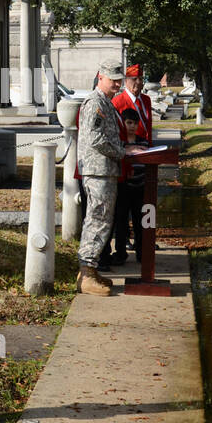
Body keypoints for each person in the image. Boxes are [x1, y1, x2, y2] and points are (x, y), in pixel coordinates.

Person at [77, 60, 140, 295]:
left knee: (101, 219)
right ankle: (86, 272)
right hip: (98, 170)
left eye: (118, 79)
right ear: (99, 77)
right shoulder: (95, 103)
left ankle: (89, 270)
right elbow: (95, 139)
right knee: (98, 219)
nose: (117, 83)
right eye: (112, 79)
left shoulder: (106, 103)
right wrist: (123, 151)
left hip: (104, 169)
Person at [113, 65, 153, 260]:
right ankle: (121, 247)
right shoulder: (118, 101)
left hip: (144, 160)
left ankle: (142, 245)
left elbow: (149, 129)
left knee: (143, 210)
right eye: (134, 79)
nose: (138, 83)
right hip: (126, 157)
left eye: (140, 79)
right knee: (122, 212)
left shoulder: (146, 100)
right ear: (126, 80)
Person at [111, 108, 146, 263]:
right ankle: (120, 252)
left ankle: (141, 251)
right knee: (121, 220)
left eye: (135, 123)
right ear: (123, 124)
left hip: (140, 186)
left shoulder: (142, 141)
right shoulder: (120, 143)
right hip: (123, 187)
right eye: (129, 123)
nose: (132, 126)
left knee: (140, 221)